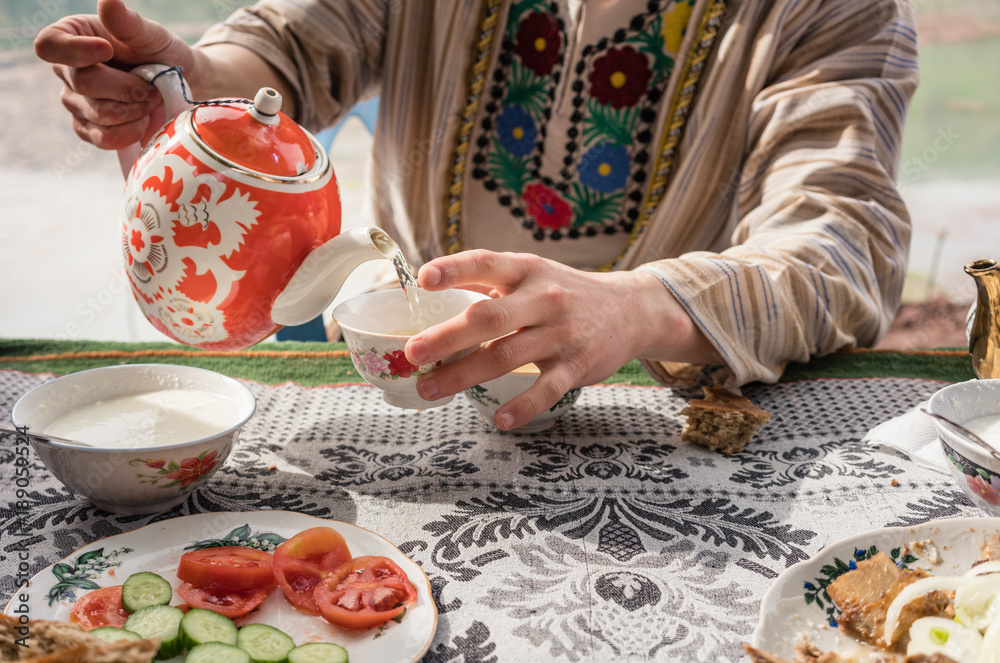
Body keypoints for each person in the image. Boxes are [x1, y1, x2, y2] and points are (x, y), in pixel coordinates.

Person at [35, 0, 919, 431]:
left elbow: (845, 244)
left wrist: (636, 306)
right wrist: (184, 85)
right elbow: (290, 44)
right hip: (410, 389)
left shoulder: (837, 10)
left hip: (660, 417)